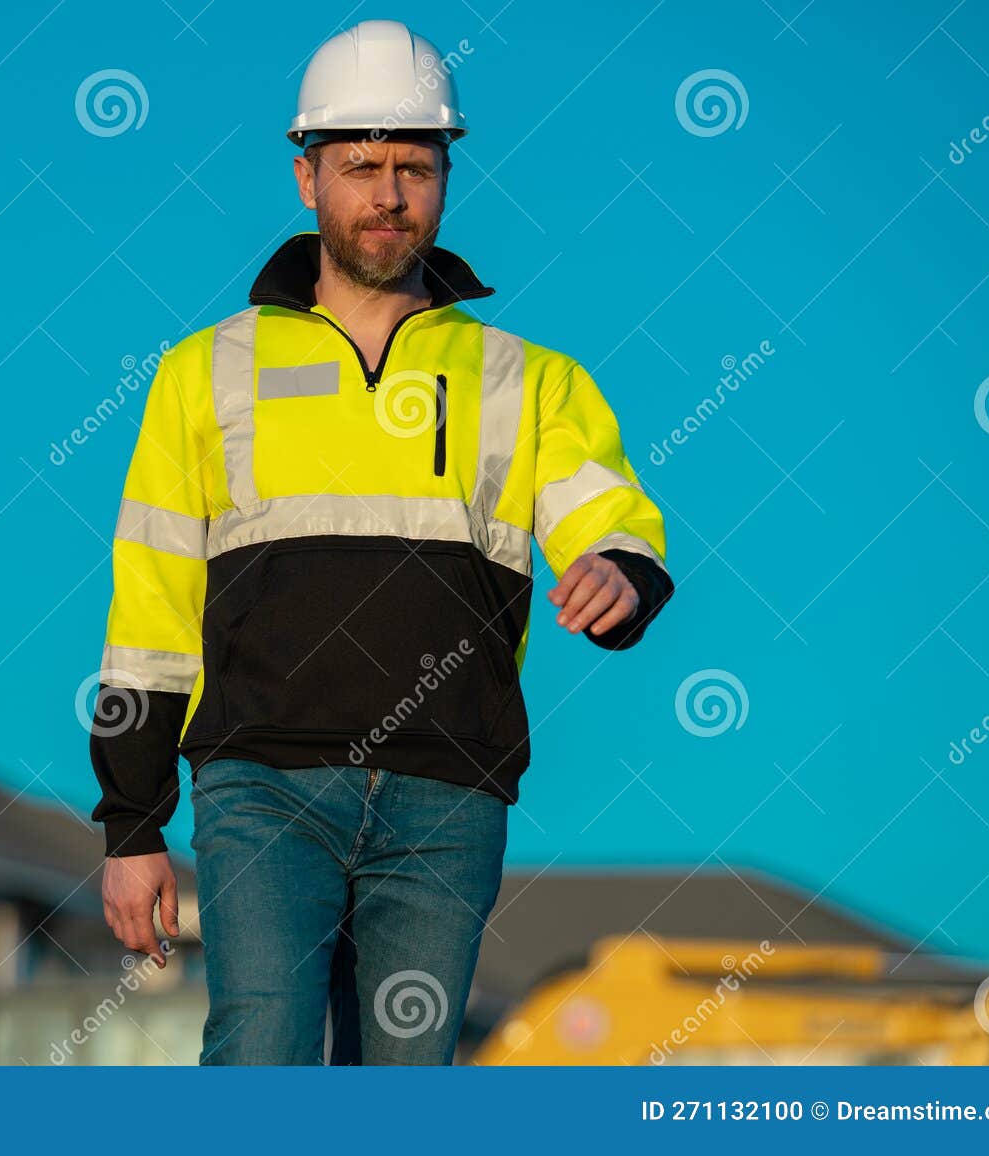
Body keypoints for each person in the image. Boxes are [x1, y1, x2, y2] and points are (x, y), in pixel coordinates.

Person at [88, 19, 673, 1064]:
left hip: (447, 793)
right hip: (261, 784)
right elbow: (151, 605)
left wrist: (618, 567)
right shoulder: (203, 372)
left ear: (446, 175)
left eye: (415, 166)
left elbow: (603, 505)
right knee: (258, 1052)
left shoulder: (525, 377)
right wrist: (132, 822)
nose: (388, 194)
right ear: (307, 175)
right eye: (361, 166)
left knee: (402, 1087)